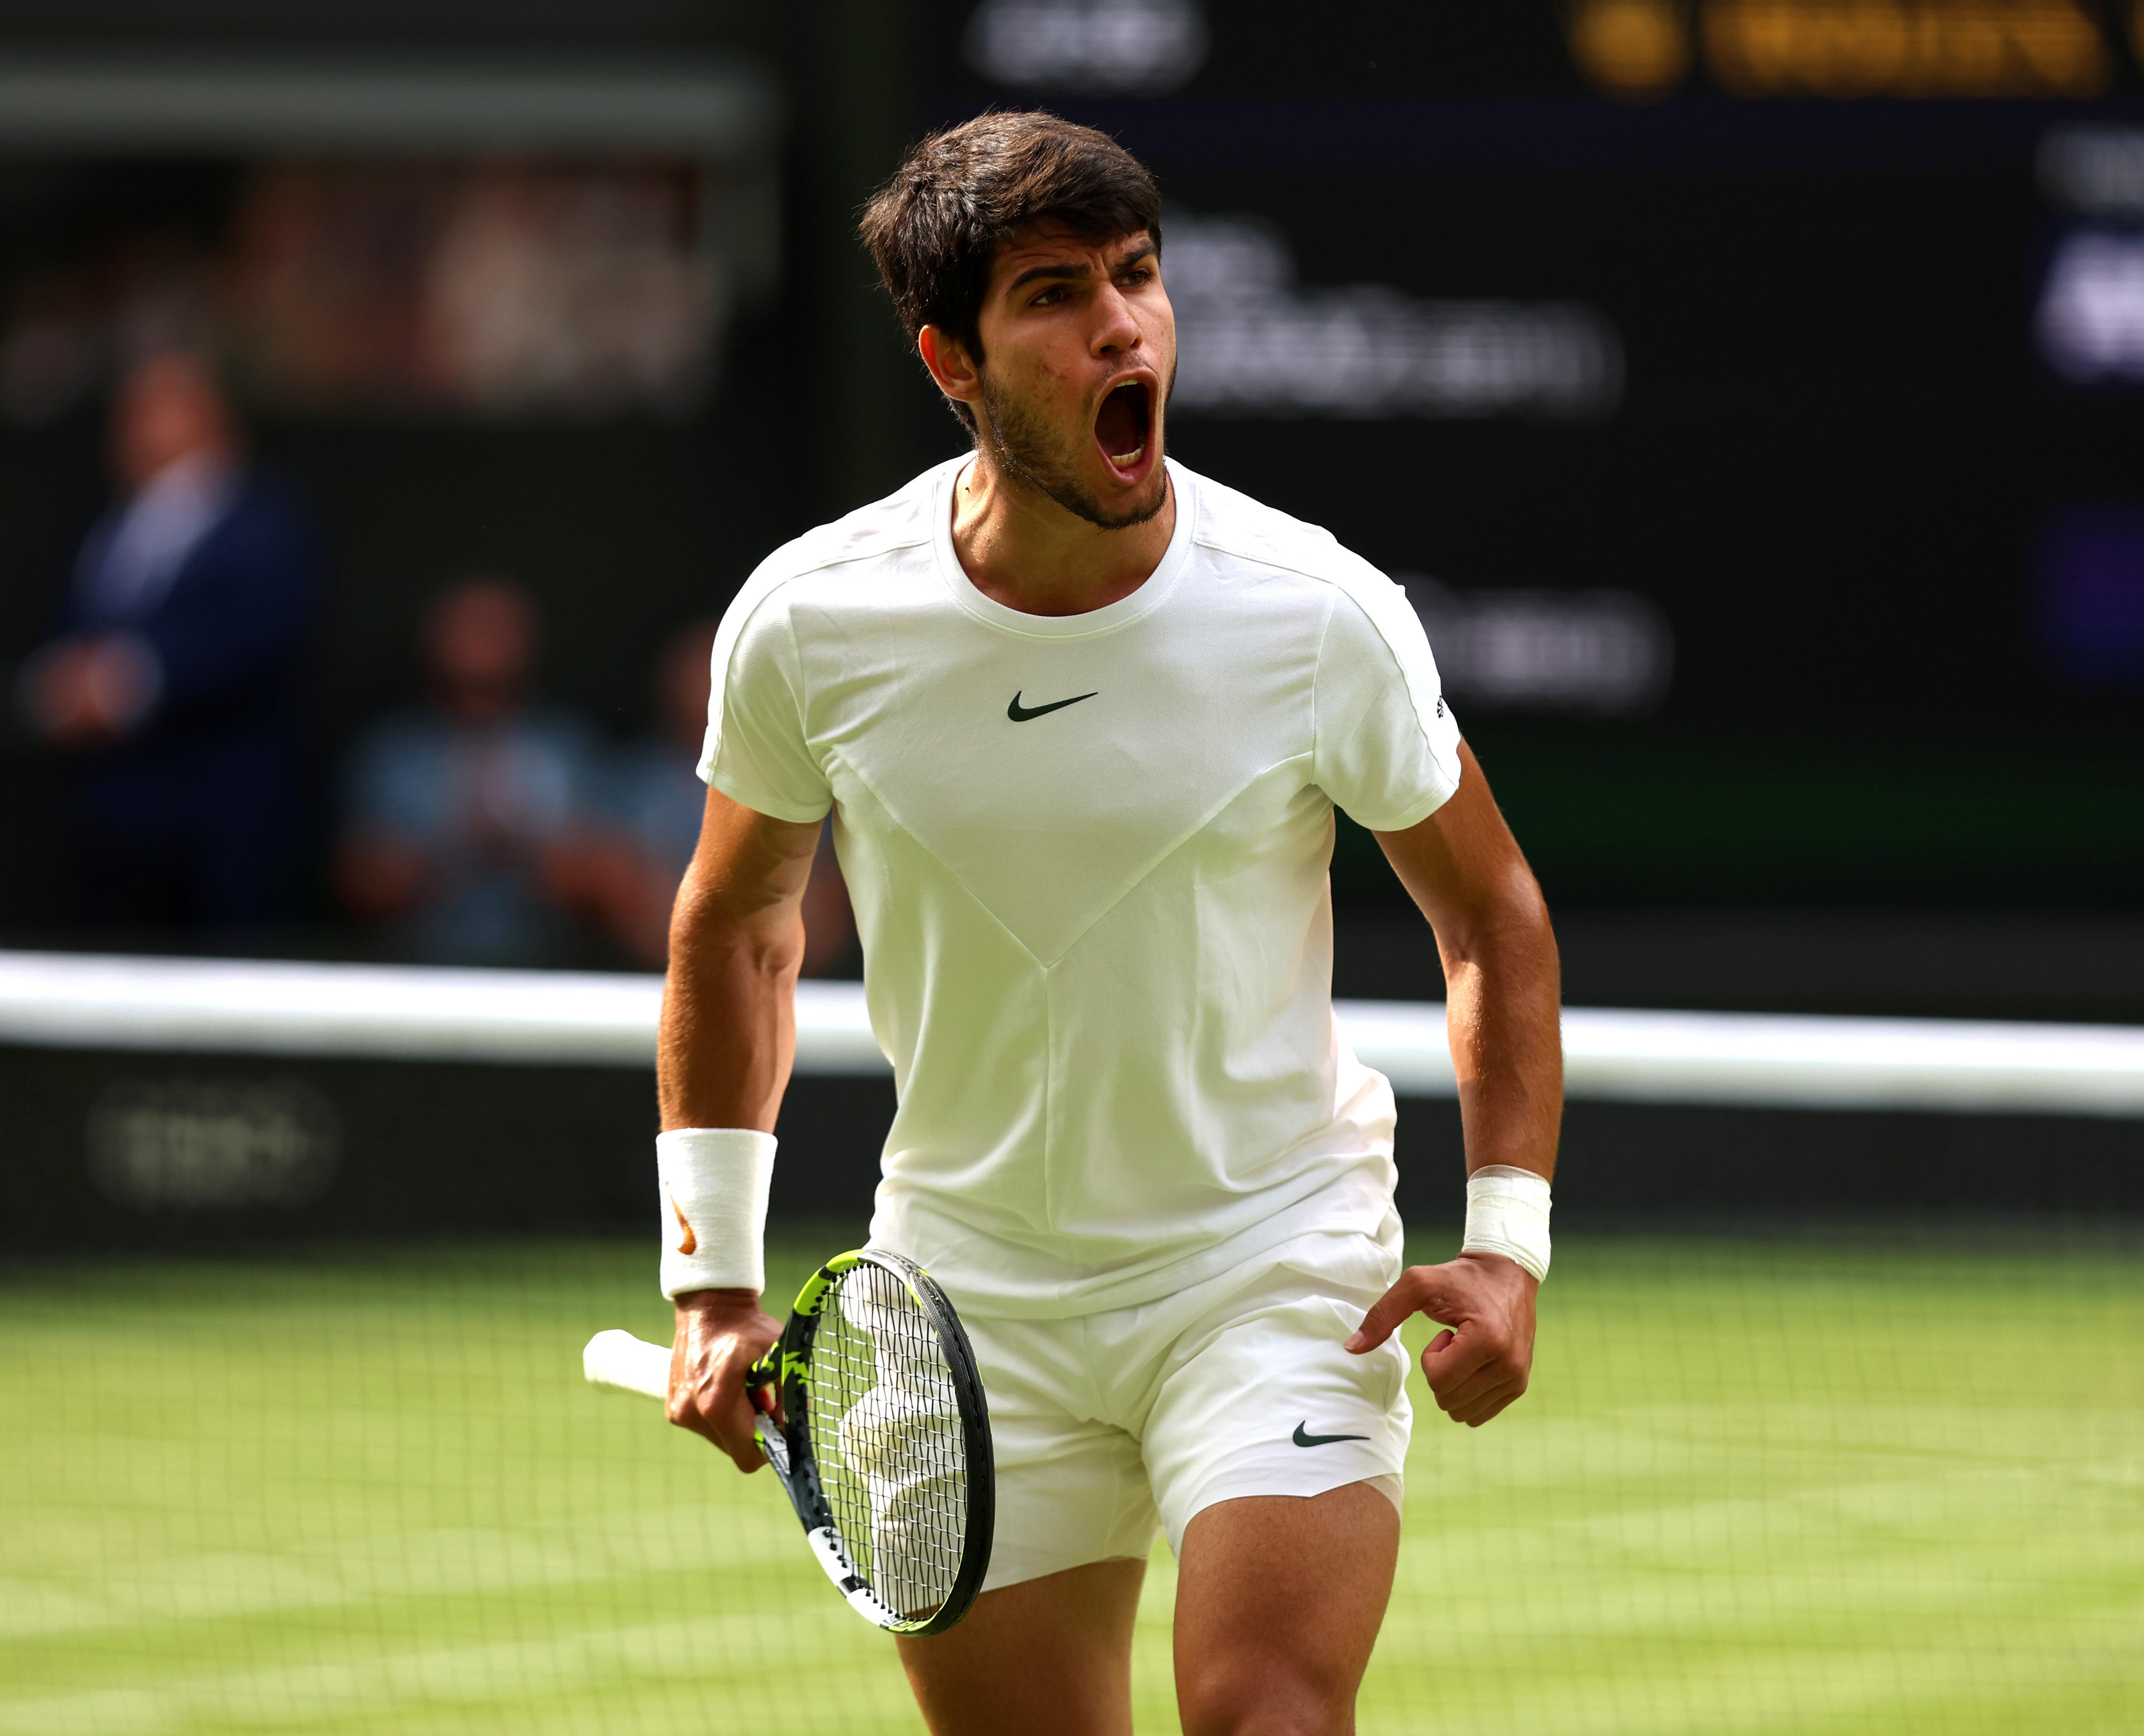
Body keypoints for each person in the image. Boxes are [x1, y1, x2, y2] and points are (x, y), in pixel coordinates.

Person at [659, 112, 1563, 1734]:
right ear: (954, 359)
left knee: (1262, 1712)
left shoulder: (1318, 614)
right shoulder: (808, 624)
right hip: (968, 1297)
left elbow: (1492, 913)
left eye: (1137, 278)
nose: (1121, 325)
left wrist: (1506, 1244)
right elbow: (734, 931)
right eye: (1056, 294)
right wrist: (712, 1281)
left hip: (1270, 1266)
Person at [20, 351, 323, 930]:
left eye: (154, 409)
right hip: (116, 817)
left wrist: (125, 684)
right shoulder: (108, 528)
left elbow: (258, 630)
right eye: (127, 413)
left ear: (210, 415)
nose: (132, 427)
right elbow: (72, 632)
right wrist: (55, 687)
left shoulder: (268, 520)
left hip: (226, 816)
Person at [334, 575, 600, 965]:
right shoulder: (391, 753)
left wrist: (518, 845)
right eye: (467, 626)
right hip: (417, 977)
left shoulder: (566, 746)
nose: (482, 643)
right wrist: (456, 846)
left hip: (545, 978)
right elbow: (358, 886)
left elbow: (612, 884)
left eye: (497, 627)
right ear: (431, 639)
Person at [587, 622, 854, 972]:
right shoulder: (629, 783)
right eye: (701, 667)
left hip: (796, 991)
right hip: (652, 986)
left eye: (730, 664)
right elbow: (613, 892)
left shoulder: (816, 782)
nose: (712, 681)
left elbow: (826, 919)